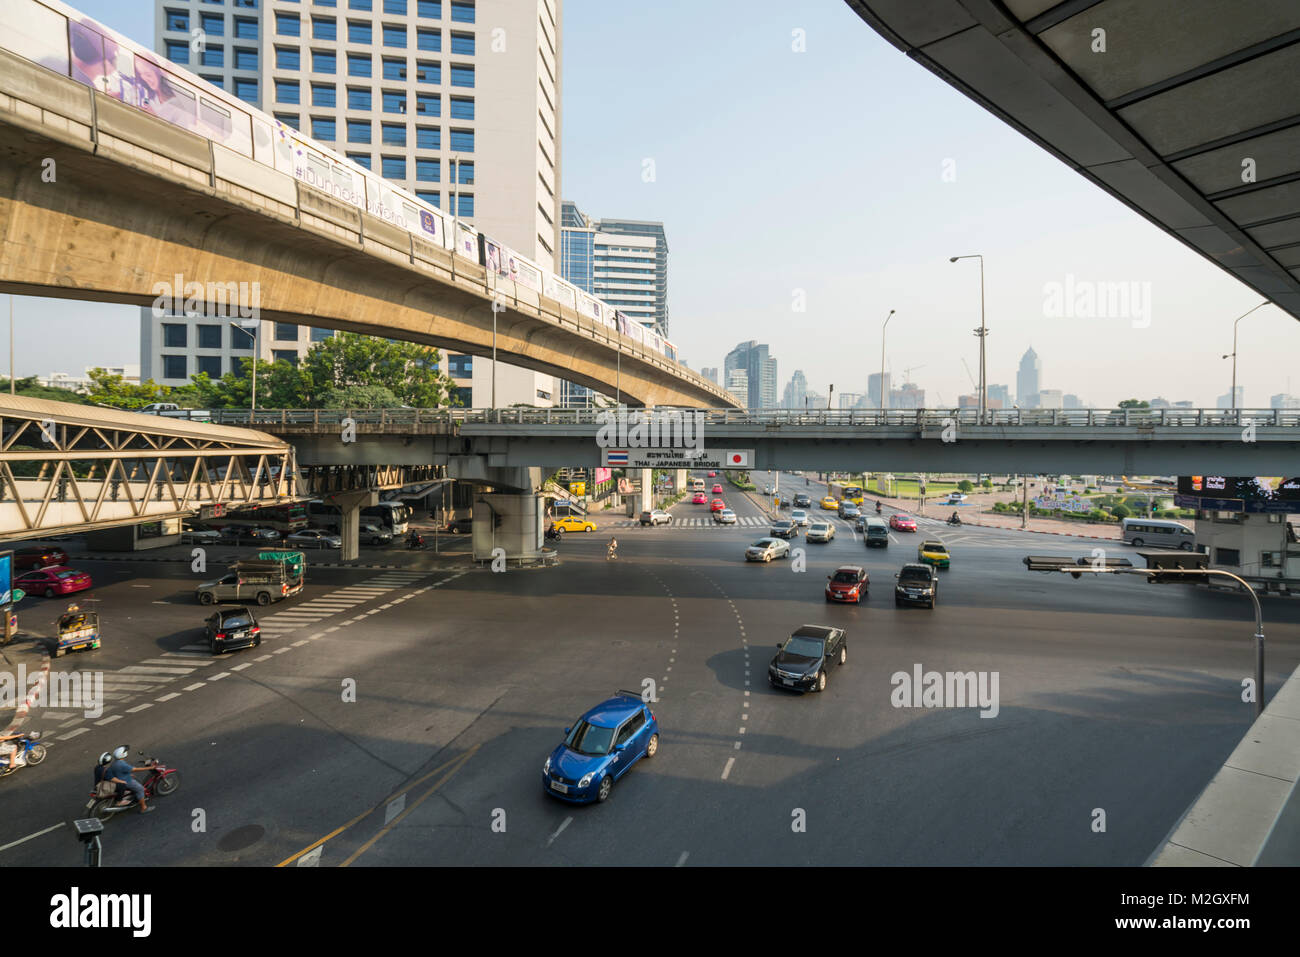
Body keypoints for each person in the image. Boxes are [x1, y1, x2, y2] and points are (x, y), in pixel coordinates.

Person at [106, 746, 151, 813]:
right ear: (122, 754)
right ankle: (144, 808)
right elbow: (135, 769)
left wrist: (128, 774)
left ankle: (134, 798)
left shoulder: (115, 763)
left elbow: (118, 771)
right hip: (126, 781)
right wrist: (150, 768)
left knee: (135, 782)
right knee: (140, 789)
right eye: (125, 751)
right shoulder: (122, 764)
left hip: (119, 779)